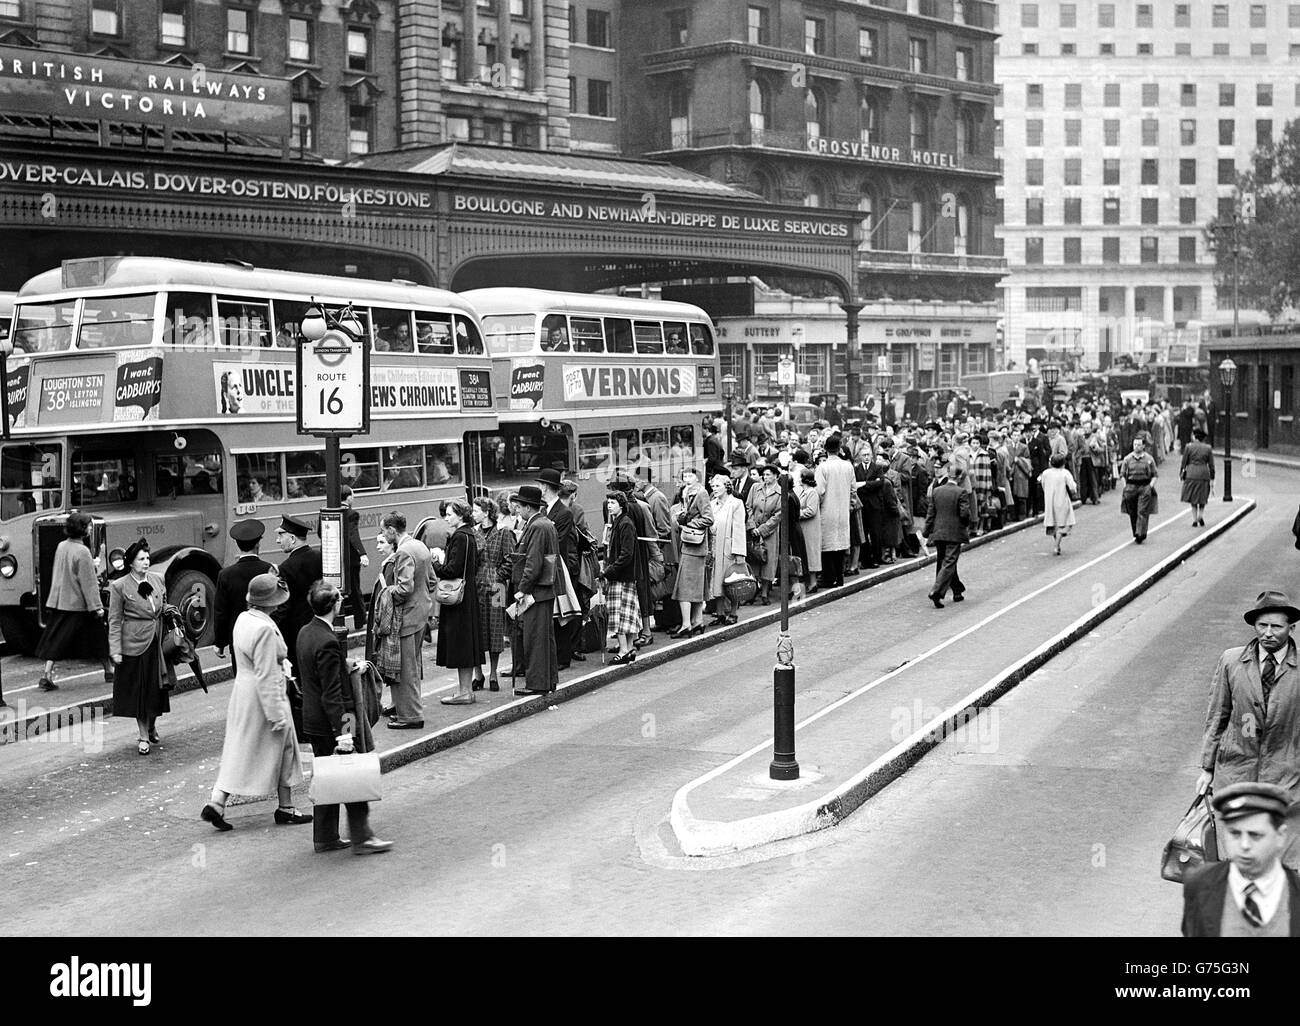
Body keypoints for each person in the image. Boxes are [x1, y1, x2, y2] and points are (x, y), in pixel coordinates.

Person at [1196, 591, 1300, 871]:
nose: (1268, 633)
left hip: (1286, 778)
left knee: (1281, 862)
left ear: (1291, 627)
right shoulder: (1231, 661)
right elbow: (1218, 715)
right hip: (1236, 774)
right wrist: (1207, 768)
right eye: (1262, 625)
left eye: (1276, 626)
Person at [200, 572, 310, 832]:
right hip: (264, 696)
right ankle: (286, 807)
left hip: (243, 693)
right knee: (286, 750)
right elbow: (266, 674)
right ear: (271, 602)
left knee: (239, 749)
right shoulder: (264, 629)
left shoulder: (243, 619)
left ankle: (217, 801)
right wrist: (277, 714)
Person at [296, 581, 393, 855]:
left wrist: (346, 665)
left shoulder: (307, 632)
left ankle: (325, 837)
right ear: (336, 605)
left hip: (313, 719)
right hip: (336, 719)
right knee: (353, 774)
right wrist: (345, 732)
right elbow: (332, 692)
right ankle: (363, 838)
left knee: (328, 777)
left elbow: (318, 673)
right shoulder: (328, 641)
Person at [1182, 782, 1300, 936]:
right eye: (1235, 833)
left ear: (1280, 836)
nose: (1244, 845)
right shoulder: (1198, 883)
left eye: (1255, 835)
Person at [35, 511, 112, 692]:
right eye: (89, 525)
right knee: (99, 637)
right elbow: (88, 583)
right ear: (82, 529)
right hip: (78, 604)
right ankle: (109, 670)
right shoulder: (83, 551)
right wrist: (97, 607)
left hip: (60, 600)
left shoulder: (62, 546)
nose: (91, 528)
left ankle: (47, 674)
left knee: (57, 639)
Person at [107, 539, 169, 755]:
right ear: (131, 563)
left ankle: (151, 726)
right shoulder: (120, 586)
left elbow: (164, 605)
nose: (146, 562)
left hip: (157, 642)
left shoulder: (157, 579)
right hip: (134, 645)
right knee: (141, 693)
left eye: (148, 558)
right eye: (141, 559)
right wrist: (115, 650)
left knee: (157, 690)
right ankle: (143, 735)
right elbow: (114, 620)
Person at [432, 500, 486, 705]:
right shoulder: (470, 535)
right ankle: (465, 690)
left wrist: (435, 562)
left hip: (459, 600)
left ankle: (464, 692)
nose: (446, 518)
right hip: (468, 595)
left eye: (449, 514)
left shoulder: (460, 537)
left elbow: (452, 570)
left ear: (460, 515)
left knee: (461, 644)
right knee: (466, 643)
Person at [383, 510, 432, 729]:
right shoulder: (419, 545)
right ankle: (407, 709)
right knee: (412, 666)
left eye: (384, 531)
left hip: (408, 616)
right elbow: (431, 580)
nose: (384, 535)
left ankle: (410, 716)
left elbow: (404, 587)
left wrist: (386, 590)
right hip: (421, 612)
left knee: (406, 669)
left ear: (392, 530)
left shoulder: (402, 552)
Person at [509, 485, 560, 694]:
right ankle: (548, 680)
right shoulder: (544, 523)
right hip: (544, 590)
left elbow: (533, 561)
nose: (517, 511)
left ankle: (537, 683)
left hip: (536, 591)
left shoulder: (537, 526)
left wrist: (522, 588)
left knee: (535, 638)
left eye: (519, 507)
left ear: (528, 508)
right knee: (545, 637)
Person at [273, 513, 320, 733]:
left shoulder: (286, 568)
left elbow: (283, 607)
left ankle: (302, 728)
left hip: (294, 635)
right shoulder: (319, 558)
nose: (277, 540)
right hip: (317, 628)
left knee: (297, 682)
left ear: (292, 539)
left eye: (281, 535)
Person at [214, 520, 272, 670]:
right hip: (265, 636)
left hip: (238, 639)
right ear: (258, 544)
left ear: (237, 545)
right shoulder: (269, 570)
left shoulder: (225, 575)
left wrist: (220, 643)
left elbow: (221, 612)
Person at [538, 468, 580, 670]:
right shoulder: (545, 510)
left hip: (557, 566)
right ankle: (554, 654)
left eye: (541, 485)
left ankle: (563, 657)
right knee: (552, 613)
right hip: (547, 565)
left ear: (546, 487)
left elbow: (557, 540)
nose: (540, 488)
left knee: (562, 611)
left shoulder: (564, 513)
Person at [472, 497, 512, 691]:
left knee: (495, 630)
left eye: (476, 510)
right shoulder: (473, 532)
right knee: (476, 630)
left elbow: (510, 559)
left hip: (497, 588)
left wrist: (498, 576)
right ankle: (478, 674)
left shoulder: (503, 532)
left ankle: (493, 673)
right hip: (477, 586)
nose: (473, 514)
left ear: (486, 512)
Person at [669, 467, 714, 637]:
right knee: (696, 586)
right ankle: (698, 621)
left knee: (684, 587)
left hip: (694, 544)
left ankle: (686, 624)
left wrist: (689, 522)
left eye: (690, 475)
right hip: (690, 544)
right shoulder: (688, 491)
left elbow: (709, 518)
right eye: (685, 475)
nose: (687, 478)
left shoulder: (701, 493)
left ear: (697, 477)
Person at [923, 460, 972, 609]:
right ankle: (937, 592)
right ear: (958, 478)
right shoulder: (961, 492)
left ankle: (957, 590)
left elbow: (931, 513)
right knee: (950, 562)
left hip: (939, 532)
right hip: (954, 532)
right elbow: (964, 513)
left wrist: (927, 531)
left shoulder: (937, 491)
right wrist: (965, 523)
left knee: (945, 561)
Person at [600, 490, 641, 664]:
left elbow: (626, 554)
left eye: (613, 503)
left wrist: (608, 571)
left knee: (619, 613)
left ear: (621, 505)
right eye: (608, 503)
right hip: (625, 575)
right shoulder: (621, 522)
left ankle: (624, 650)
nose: (609, 506)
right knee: (628, 614)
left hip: (621, 576)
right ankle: (629, 648)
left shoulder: (624, 524)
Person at [365, 531, 401, 710]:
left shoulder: (391, 564)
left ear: (392, 543)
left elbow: (386, 595)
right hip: (387, 617)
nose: (378, 546)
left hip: (386, 619)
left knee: (389, 662)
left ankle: (395, 703)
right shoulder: (390, 562)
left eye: (382, 542)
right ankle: (395, 702)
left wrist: (380, 624)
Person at [815, 434, 856, 589]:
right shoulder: (848, 466)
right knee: (840, 546)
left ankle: (828, 577)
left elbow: (819, 491)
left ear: (826, 450)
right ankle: (840, 577)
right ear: (839, 449)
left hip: (827, 510)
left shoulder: (822, 467)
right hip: (843, 511)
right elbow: (853, 490)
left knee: (827, 546)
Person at [708, 474, 749, 625]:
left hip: (729, 549)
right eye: (713, 486)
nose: (715, 489)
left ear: (727, 486)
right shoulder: (712, 504)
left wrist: (739, 553)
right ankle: (719, 613)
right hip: (714, 547)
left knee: (732, 582)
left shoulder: (736, 503)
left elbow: (739, 528)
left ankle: (733, 612)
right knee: (716, 581)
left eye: (718, 486)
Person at [746, 464, 782, 604]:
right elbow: (748, 506)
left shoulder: (780, 492)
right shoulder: (756, 488)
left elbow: (778, 514)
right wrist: (752, 526)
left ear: (775, 476)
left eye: (769, 475)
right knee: (754, 559)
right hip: (753, 530)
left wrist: (762, 529)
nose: (766, 477)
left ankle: (765, 593)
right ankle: (754, 590)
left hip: (770, 532)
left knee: (768, 561)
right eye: (764, 475)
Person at [340, 485, 370, 629]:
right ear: (348, 497)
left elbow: (322, 533)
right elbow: (353, 535)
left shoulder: (326, 513)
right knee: (355, 590)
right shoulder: (352, 514)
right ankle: (360, 621)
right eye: (353, 495)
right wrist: (362, 553)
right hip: (351, 558)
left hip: (335, 559)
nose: (354, 498)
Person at [1119, 435, 1158, 543]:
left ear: (1143, 446)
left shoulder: (1149, 459)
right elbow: (1121, 474)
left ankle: (1140, 533)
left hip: (1144, 486)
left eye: (1139, 445)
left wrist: (1150, 486)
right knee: (1133, 512)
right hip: (1131, 487)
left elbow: (1155, 475)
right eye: (1135, 444)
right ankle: (1136, 531)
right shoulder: (1127, 459)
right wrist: (1125, 486)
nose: (1136, 447)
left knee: (1142, 511)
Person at [1039, 453, 1078, 557]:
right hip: (1062, 499)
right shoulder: (1065, 473)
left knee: (1054, 522)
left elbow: (1043, 485)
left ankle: (1057, 543)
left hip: (1049, 501)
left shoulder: (1046, 473)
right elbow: (1072, 487)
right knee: (1065, 523)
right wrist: (1074, 490)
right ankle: (1056, 546)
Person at [793, 466, 822, 592]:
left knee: (811, 554)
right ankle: (810, 582)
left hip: (810, 529)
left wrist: (796, 513)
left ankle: (813, 582)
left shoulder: (812, 492)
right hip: (805, 528)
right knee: (806, 554)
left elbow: (811, 510)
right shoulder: (804, 492)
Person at [1180, 428, 1214, 528]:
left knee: (1193, 498)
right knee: (1202, 497)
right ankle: (1200, 515)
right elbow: (1211, 465)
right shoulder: (1208, 448)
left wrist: (1181, 473)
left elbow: (1184, 462)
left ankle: (1195, 519)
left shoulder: (1188, 447)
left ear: (1194, 436)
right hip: (1204, 474)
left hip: (1191, 474)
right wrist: (1212, 478)